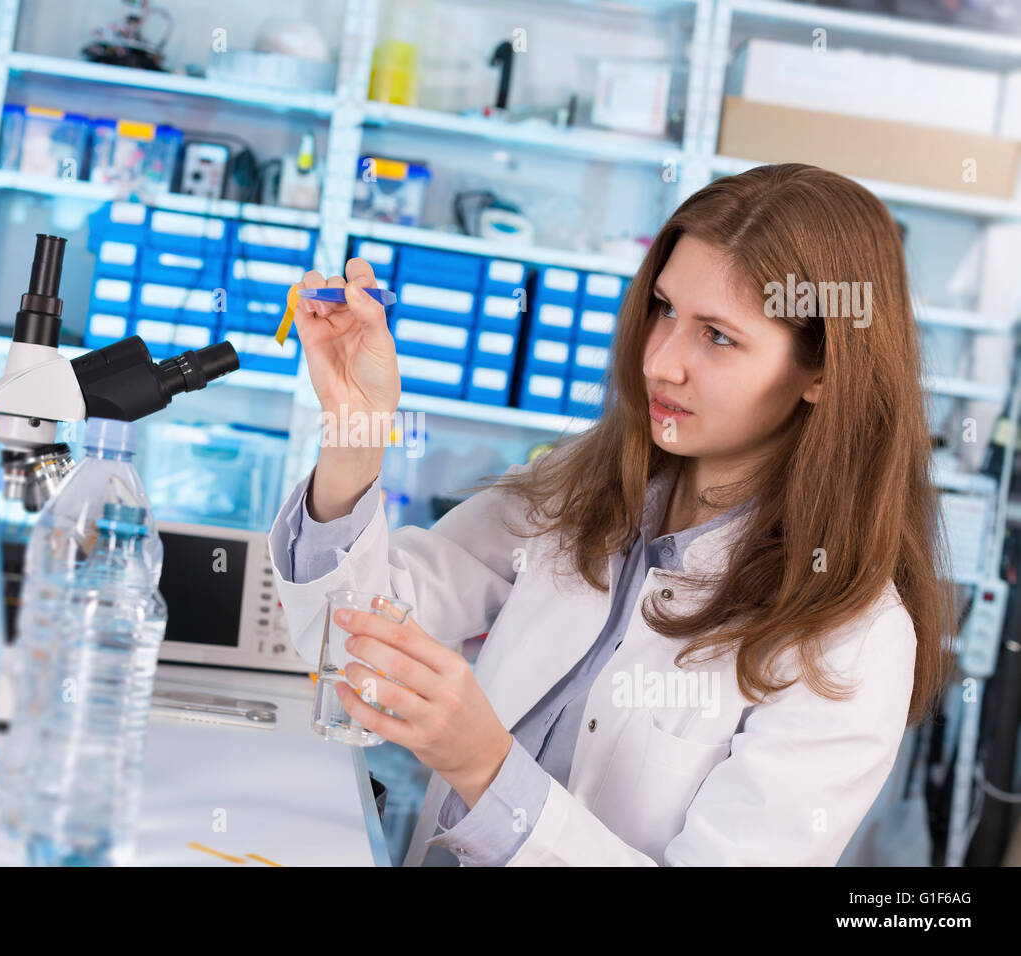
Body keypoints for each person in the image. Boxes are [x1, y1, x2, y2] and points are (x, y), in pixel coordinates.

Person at [266, 163, 957, 866]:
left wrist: (486, 768)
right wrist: (354, 429)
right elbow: (346, 639)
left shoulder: (851, 640)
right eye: (665, 310)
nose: (661, 362)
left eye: (717, 336)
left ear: (821, 372)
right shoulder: (576, 489)